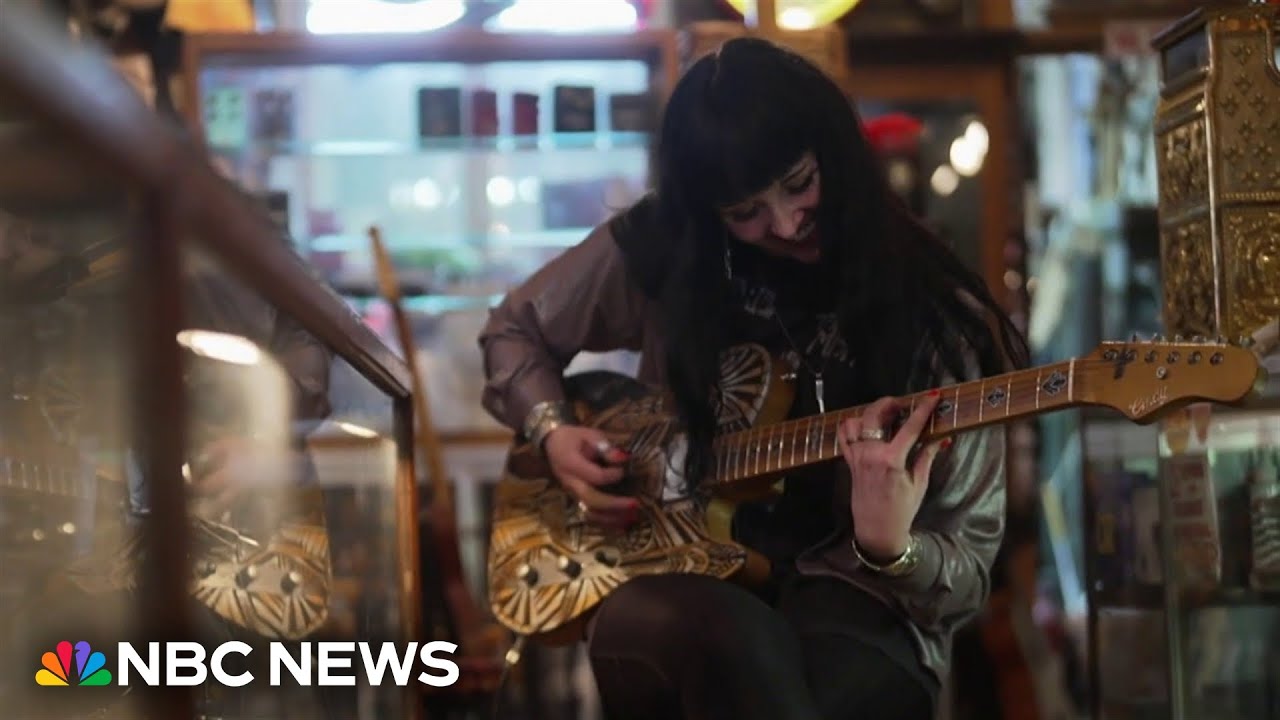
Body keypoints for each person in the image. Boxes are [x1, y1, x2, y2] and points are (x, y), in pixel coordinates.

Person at [478, 37, 1029, 720]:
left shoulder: (934, 311)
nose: (786, 222)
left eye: (800, 183)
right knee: (726, 635)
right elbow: (514, 329)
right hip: (677, 585)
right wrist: (554, 433)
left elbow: (968, 578)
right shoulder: (666, 243)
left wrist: (894, 547)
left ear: (835, 151)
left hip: (865, 610)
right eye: (744, 213)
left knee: (771, 677)